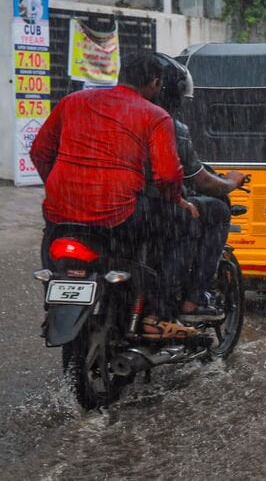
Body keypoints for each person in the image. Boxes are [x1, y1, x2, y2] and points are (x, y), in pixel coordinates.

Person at [30, 52, 198, 338]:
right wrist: (178, 200)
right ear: (155, 83)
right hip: (119, 213)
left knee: (54, 232)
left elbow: (40, 152)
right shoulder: (156, 115)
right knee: (184, 223)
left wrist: (59, 188)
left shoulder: (73, 102)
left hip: (61, 208)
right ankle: (159, 313)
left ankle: (54, 302)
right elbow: (168, 176)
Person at [153, 53, 246, 322]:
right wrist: (229, 183)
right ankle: (193, 300)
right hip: (151, 208)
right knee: (216, 211)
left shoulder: (101, 111)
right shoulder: (167, 124)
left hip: (101, 209)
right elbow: (195, 178)